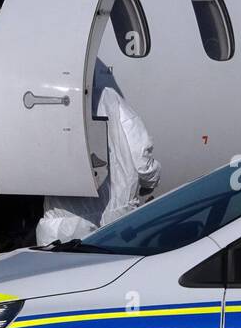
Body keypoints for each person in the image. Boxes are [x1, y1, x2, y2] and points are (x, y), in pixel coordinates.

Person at [36, 81, 160, 245]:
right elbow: (140, 152)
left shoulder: (48, 98)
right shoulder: (109, 96)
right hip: (116, 218)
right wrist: (150, 181)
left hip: (64, 226)